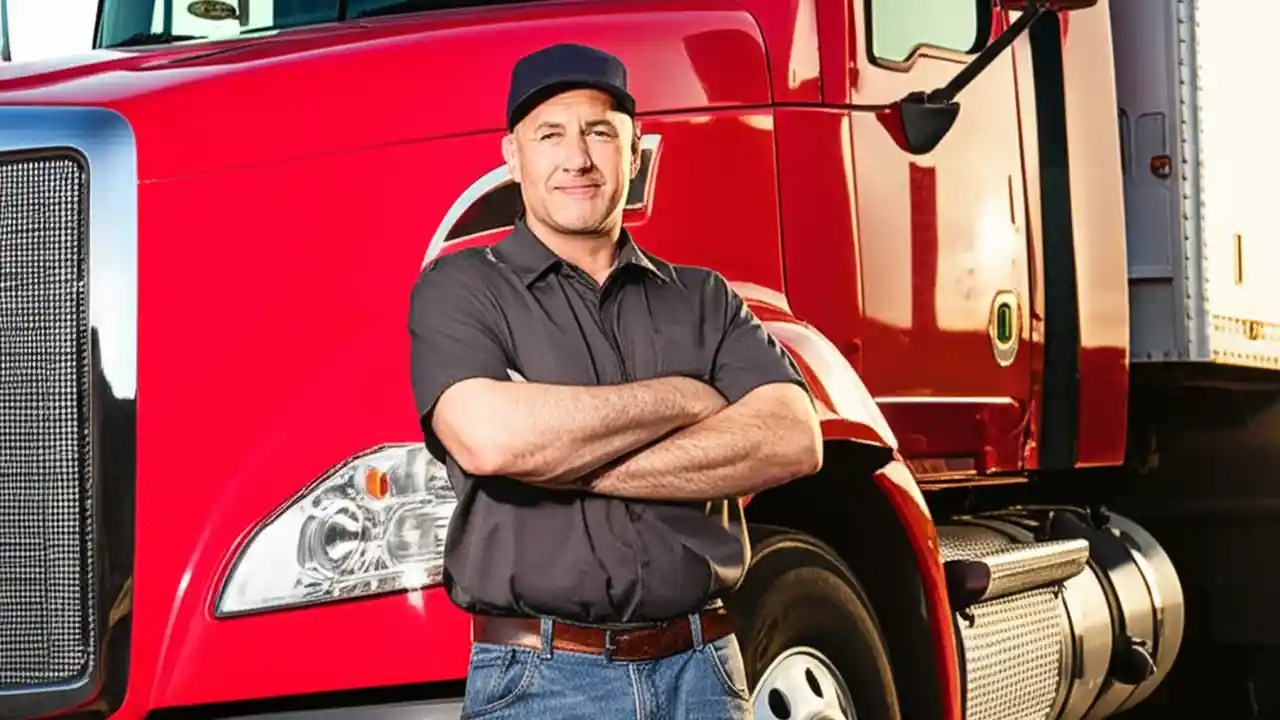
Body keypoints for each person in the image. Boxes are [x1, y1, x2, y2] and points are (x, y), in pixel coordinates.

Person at [407, 42, 822, 720]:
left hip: (705, 672)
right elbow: (490, 441)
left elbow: (792, 438)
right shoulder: (461, 291)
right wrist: (688, 399)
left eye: (600, 132)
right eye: (551, 134)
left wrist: (558, 456)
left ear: (634, 154)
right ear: (513, 154)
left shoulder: (704, 298)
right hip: (541, 680)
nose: (577, 158)